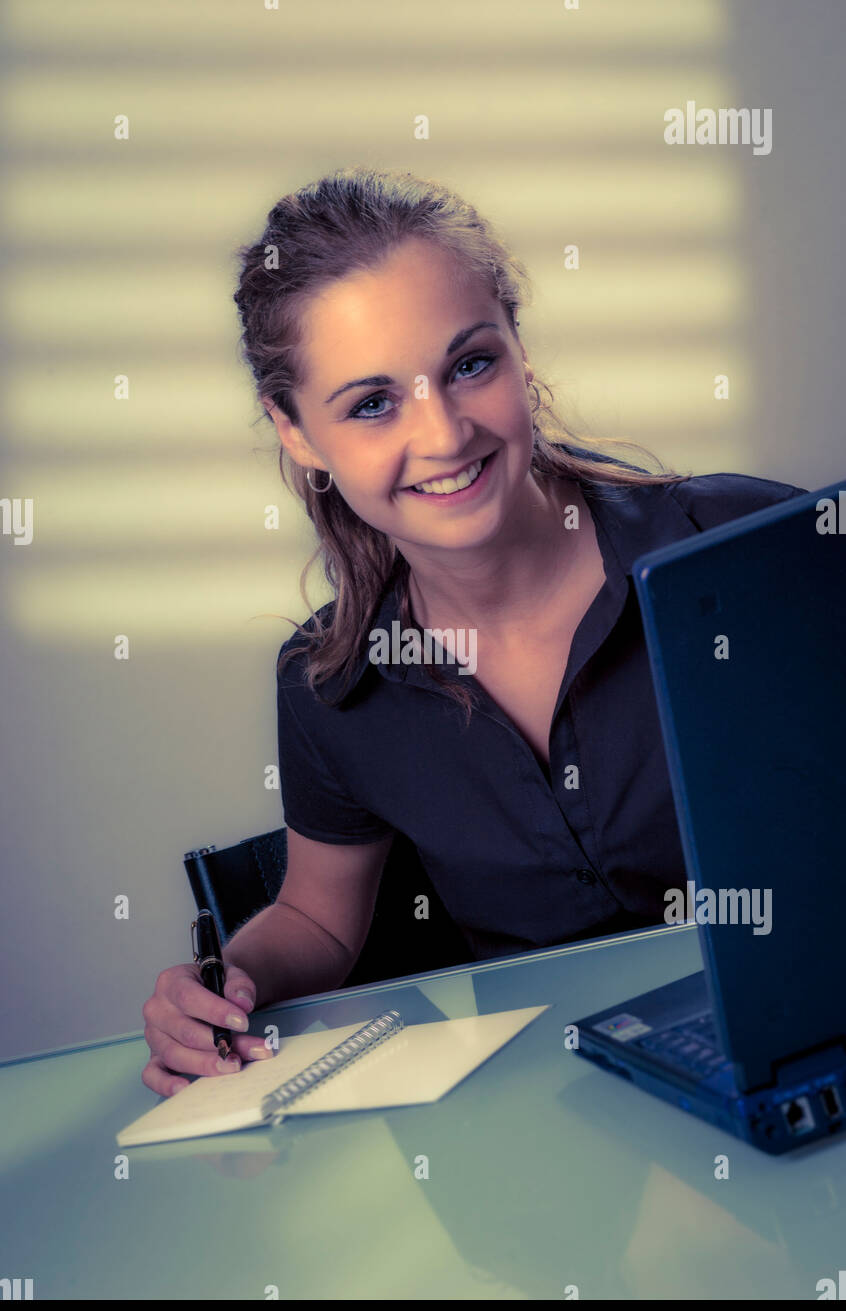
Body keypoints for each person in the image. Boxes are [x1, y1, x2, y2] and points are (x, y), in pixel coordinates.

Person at [141, 167, 806, 1097]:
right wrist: (223, 988)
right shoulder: (332, 680)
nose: (445, 435)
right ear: (294, 432)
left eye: (469, 365)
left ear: (518, 349)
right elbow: (320, 922)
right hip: (547, 1127)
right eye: (371, 404)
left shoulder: (749, 547)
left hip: (802, 1066)